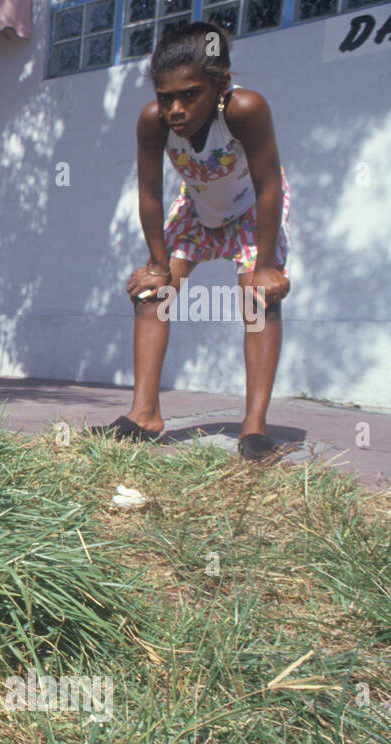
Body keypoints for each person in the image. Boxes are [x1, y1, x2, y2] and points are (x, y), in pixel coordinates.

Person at [93, 22, 290, 463]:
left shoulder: (245, 108)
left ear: (220, 85)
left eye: (190, 94)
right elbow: (149, 193)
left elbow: (269, 187)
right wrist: (156, 263)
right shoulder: (152, 121)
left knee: (257, 300)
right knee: (151, 294)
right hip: (196, 210)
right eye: (166, 98)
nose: (176, 109)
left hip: (251, 210)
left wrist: (264, 265)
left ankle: (254, 428)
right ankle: (144, 416)